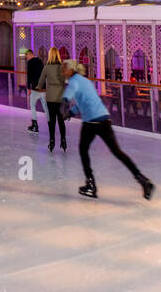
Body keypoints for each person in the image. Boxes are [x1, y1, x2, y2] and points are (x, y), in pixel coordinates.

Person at [61, 59, 154, 200]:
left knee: (83, 150)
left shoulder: (73, 81)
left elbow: (67, 96)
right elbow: (86, 101)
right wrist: (71, 112)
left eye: (64, 69)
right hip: (104, 118)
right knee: (117, 152)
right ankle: (142, 179)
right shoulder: (85, 81)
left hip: (91, 122)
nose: (63, 72)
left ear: (71, 70)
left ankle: (91, 185)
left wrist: (64, 105)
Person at [37, 47, 67, 152]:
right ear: (58, 55)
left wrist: (38, 87)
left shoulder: (46, 67)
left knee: (52, 120)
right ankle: (63, 140)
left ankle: (52, 140)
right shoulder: (62, 67)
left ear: (50, 55)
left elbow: (40, 81)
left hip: (50, 97)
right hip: (60, 96)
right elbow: (65, 81)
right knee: (61, 120)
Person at [24, 47, 45, 133]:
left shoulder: (30, 62)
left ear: (29, 54)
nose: (27, 58)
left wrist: (28, 87)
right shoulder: (40, 61)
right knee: (46, 107)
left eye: (26, 56)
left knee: (32, 106)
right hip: (43, 87)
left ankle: (34, 124)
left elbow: (29, 76)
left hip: (35, 88)